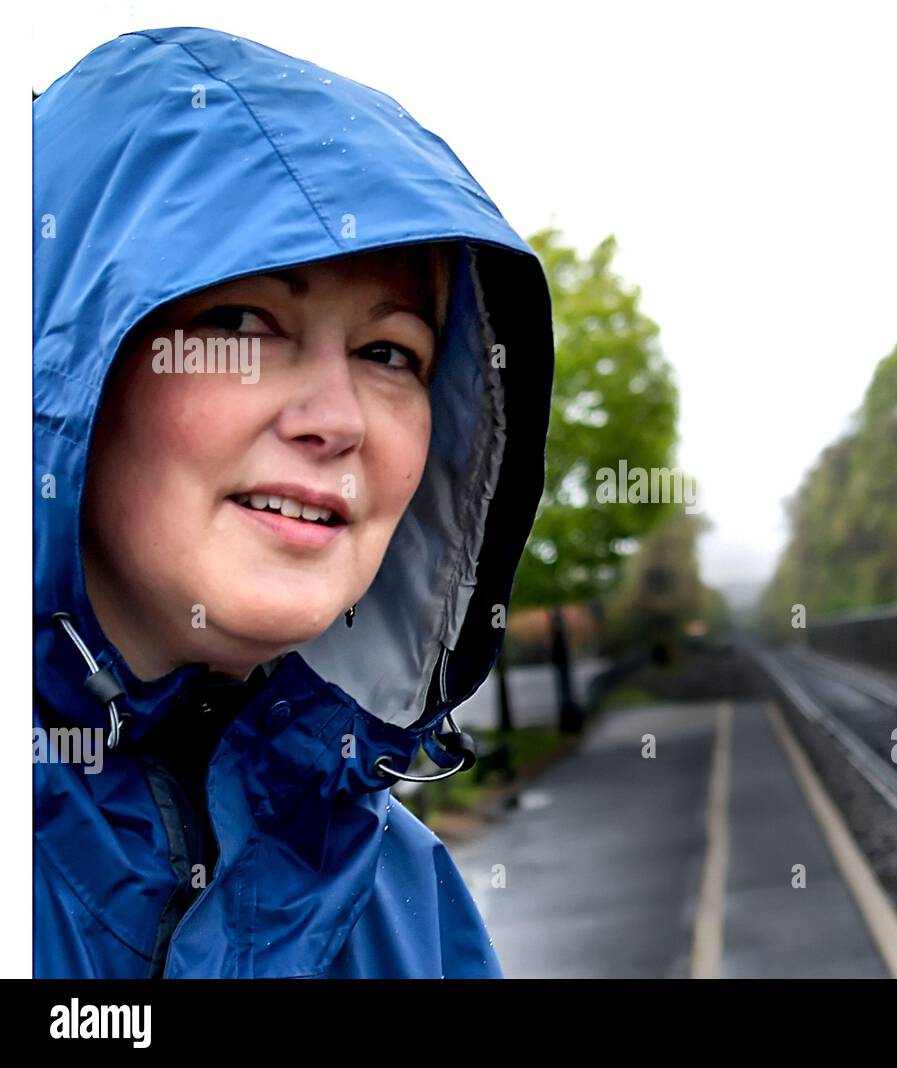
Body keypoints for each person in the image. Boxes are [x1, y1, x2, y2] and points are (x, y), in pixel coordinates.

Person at [33, 26, 554, 978]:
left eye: (389, 352)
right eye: (242, 324)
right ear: (60, 366)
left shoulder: (405, 891)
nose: (337, 419)